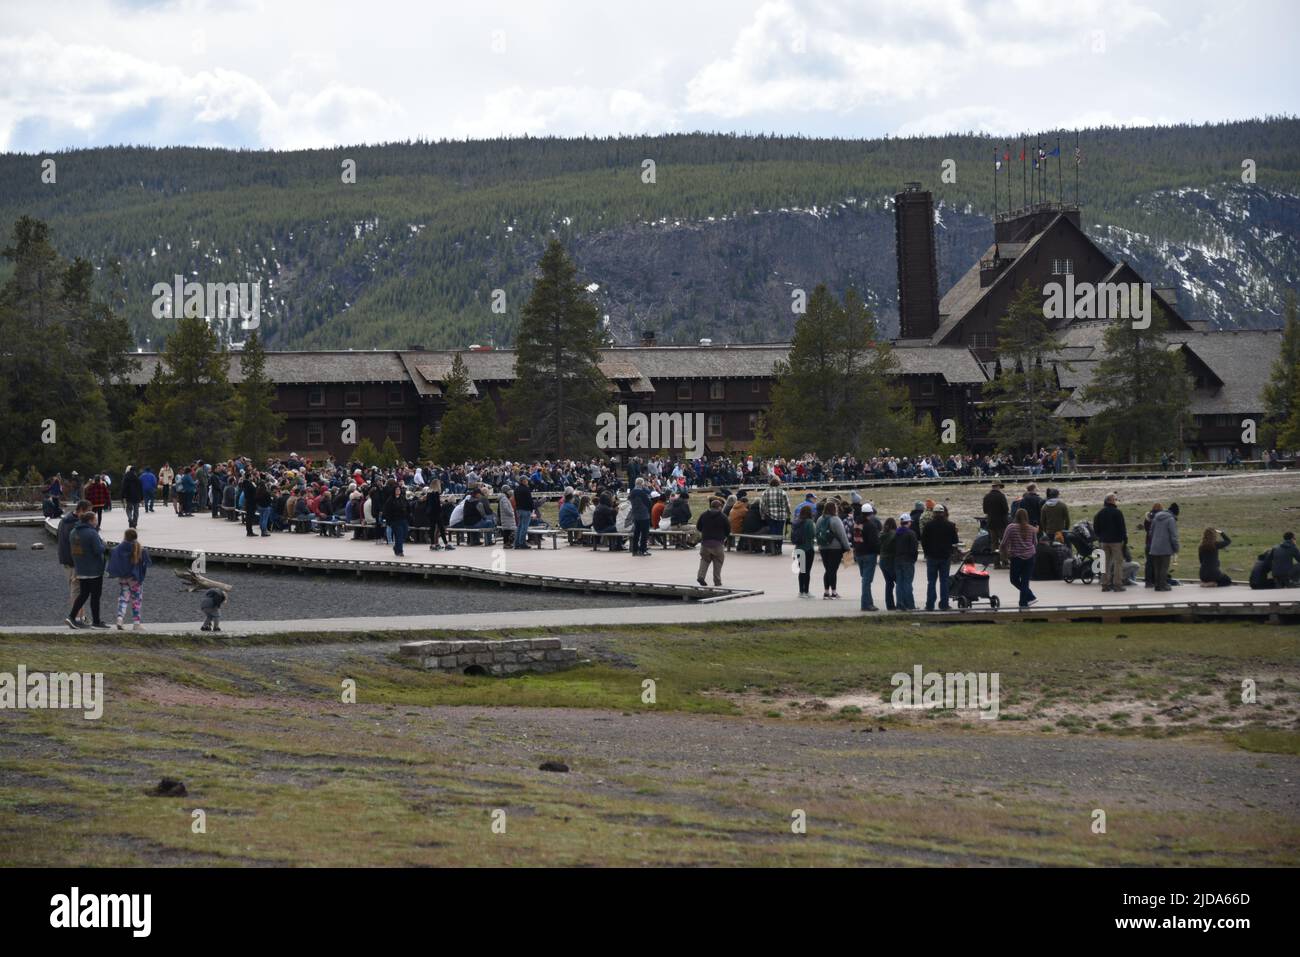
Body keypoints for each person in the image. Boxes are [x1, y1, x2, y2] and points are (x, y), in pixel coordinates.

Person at [67, 510, 109, 628]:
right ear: (90, 521)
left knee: (84, 594)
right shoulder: (92, 533)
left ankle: (71, 616)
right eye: (95, 519)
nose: (97, 521)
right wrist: (104, 544)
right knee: (95, 596)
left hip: (81, 568)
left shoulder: (74, 532)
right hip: (94, 569)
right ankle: (96, 621)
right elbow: (98, 550)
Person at [107, 528, 151, 631]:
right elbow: (147, 563)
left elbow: (113, 559)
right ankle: (136, 623)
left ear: (125, 536)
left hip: (123, 578)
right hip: (135, 579)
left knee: (123, 598)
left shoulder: (118, 548)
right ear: (136, 537)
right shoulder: (140, 549)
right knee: (136, 600)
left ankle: (119, 619)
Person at [58, 499, 92, 626]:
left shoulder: (65, 520)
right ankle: (76, 618)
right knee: (77, 590)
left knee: (77, 590)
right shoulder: (74, 525)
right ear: (81, 510)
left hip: (66, 560)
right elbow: (77, 546)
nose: (90, 515)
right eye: (88, 511)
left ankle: (81, 616)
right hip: (74, 562)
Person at [920, 503, 959, 611]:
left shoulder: (928, 525)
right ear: (943, 513)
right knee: (944, 581)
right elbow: (955, 541)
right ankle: (944, 604)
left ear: (934, 513)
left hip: (932, 557)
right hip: (945, 557)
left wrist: (927, 553)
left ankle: (930, 605)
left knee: (931, 581)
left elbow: (923, 542)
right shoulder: (950, 525)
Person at [999, 508, 1039, 608]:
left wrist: (1004, 553)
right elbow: (1035, 543)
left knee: (1014, 580)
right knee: (1025, 581)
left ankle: (1027, 600)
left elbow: (1004, 543)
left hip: (1016, 557)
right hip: (1030, 557)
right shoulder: (1031, 529)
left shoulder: (1011, 527)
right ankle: (1025, 601)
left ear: (1015, 516)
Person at [814, 501, 851, 599]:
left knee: (827, 570)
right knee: (833, 570)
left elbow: (817, 533)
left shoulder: (819, 519)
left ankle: (826, 592)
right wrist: (847, 547)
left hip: (823, 548)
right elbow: (842, 535)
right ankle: (834, 592)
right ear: (833, 509)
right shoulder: (836, 519)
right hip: (835, 548)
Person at [1093, 493, 1128, 593]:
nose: (1115, 501)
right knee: (1118, 563)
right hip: (1116, 541)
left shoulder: (1099, 513)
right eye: (1114, 499)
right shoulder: (1117, 512)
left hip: (1104, 541)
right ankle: (1117, 584)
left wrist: (1100, 537)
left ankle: (1105, 584)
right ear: (1111, 501)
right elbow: (1122, 528)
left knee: (1105, 563)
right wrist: (1124, 539)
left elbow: (1096, 528)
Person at [852, 502, 881, 612]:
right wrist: (879, 551)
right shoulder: (870, 525)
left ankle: (869, 602)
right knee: (867, 581)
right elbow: (874, 542)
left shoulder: (856, 524)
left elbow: (853, 539)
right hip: (869, 554)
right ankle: (866, 604)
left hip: (859, 554)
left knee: (865, 579)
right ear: (871, 513)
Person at [695, 497, 729, 586]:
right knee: (718, 562)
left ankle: (701, 576)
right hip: (718, 543)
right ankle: (717, 581)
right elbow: (728, 529)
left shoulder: (704, 514)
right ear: (719, 507)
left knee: (705, 560)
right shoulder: (723, 516)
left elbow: (698, 527)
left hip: (705, 543)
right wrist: (724, 536)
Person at [1146, 503, 1178, 592]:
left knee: (1157, 567)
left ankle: (1157, 585)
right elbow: (1173, 536)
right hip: (1165, 547)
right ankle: (1163, 585)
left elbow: (1150, 533)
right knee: (1164, 567)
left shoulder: (1155, 518)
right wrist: (1176, 547)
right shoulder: (1171, 520)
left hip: (1154, 547)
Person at [893, 514, 918, 610]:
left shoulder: (896, 533)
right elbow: (914, 549)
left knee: (899, 583)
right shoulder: (911, 533)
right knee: (908, 583)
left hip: (897, 560)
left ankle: (900, 604)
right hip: (907, 561)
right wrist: (913, 559)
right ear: (908, 522)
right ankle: (910, 605)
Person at [760, 477, 791, 555]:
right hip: (781, 515)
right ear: (778, 484)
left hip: (770, 515)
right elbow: (787, 505)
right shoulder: (783, 492)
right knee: (780, 532)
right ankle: (779, 548)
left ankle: (773, 548)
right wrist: (788, 514)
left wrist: (763, 515)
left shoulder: (765, 492)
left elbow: (762, 505)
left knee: (772, 531)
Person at [791, 504, 816, 598]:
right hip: (808, 548)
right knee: (807, 571)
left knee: (801, 570)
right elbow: (813, 534)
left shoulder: (797, 522)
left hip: (798, 548)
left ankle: (801, 591)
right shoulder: (810, 522)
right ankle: (806, 591)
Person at [983, 481, 1010, 568]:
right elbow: (1006, 509)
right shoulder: (1001, 496)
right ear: (998, 486)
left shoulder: (986, 496)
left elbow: (985, 510)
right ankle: (1005, 562)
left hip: (991, 523)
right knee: (1004, 542)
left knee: (994, 543)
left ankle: (996, 563)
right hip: (1001, 523)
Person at [383, 483, 412, 556]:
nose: (398, 491)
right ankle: (400, 551)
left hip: (404, 519)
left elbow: (408, 507)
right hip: (395, 520)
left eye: (399, 489)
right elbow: (387, 511)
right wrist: (389, 521)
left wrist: (408, 515)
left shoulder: (403, 498)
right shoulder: (390, 500)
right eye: (396, 490)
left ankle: (396, 547)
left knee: (404, 535)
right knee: (399, 535)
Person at [628, 478, 653, 557]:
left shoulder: (632, 492)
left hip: (635, 514)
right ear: (642, 484)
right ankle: (643, 549)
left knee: (636, 533)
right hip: (644, 515)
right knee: (644, 533)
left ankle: (635, 550)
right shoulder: (642, 493)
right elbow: (648, 503)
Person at [878, 516, 898, 610]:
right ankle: (901, 603)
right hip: (891, 560)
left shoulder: (881, 534)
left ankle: (890, 605)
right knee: (899, 582)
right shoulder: (894, 534)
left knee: (889, 584)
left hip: (882, 560)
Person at [512, 478, 535, 549]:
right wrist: (532, 509)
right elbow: (530, 500)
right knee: (524, 527)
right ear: (524, 481)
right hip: (526, 510)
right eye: (526, 480)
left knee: (519, 527)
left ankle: (516, 543)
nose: (527, 482)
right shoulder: (526, 489)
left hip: (519, 509)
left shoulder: (516, 489)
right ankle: (522, 543)